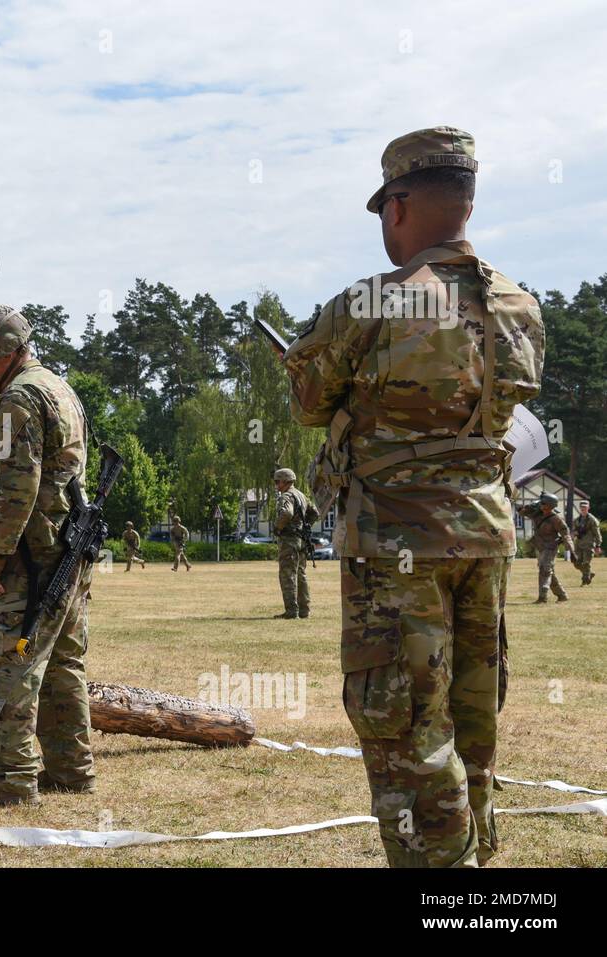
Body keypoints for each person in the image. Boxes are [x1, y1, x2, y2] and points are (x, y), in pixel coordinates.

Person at [285, 128, 544, 867]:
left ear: (398, 205)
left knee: (404, 733)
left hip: (396, 547)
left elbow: (309, 400)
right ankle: (472, 857)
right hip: (486, 538)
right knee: (472, 722)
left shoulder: (374, 300)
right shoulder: (520, 306)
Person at [0, 304, 95, 805]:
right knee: (61, 663)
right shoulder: (56, 387)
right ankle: (71, 769)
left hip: (34, 555)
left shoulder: (19, 396)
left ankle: (12, 778)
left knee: (3, 660)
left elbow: (17, 482)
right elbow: (7, 450)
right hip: (68, 548)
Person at [271, 468, 311, 619]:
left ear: (284, 481)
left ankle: (291, 610)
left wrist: (278, 527)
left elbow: (286, 513)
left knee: (287, 575)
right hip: (301, 539)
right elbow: (315, 513)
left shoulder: (286, 496)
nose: (276, 485)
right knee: (301, 574)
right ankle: (304, 610)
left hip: (289, 540)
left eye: (277, 481)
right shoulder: (301, 495)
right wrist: (304, 526)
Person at [519, 493, 573, 603]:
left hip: (550, 547)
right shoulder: (537, 514)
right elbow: (522, 513)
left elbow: (565, 532)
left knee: (544, 569)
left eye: (543, 503)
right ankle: (562, 595)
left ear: (550, 505)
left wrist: (570, 548)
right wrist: (530, 506)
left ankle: (542, 597)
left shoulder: (555, 518)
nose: (541, 504)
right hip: (540, 547)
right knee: (548, 572)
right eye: (541, 502)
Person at [569, 500, 600, 586]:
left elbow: (597, 533)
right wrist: (573, 534)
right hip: (578, 544)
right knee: (577, 563)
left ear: (588, 508)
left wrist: (598, 545)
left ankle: (585, 579)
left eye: (585, 507)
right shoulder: (576, 520)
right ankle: (589, 574)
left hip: (588, 544)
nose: (583, 509)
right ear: (580, 508)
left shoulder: (592, 520)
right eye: (582, 507)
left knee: (586, 563)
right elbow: (573, 531)